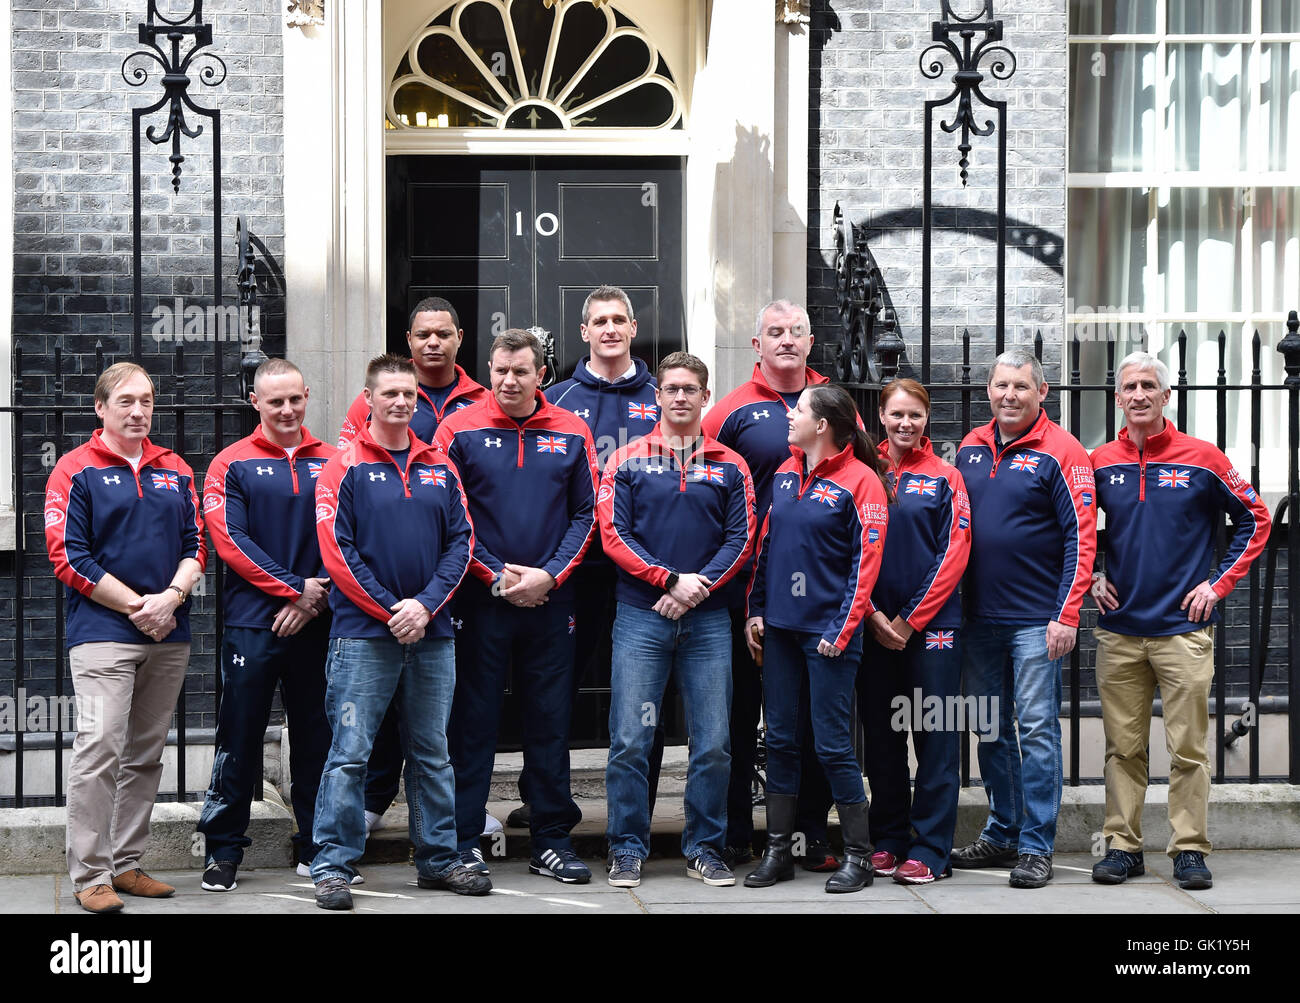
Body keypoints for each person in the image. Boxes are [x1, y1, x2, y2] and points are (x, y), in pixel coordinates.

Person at [311, 354, 488, 910]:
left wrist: (426, 607)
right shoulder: (344, 465)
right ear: (368, 399)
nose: (401, 402)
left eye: (408, 394)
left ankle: (437, 859)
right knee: (350, 753)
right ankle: (334, 864)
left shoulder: (441, 463)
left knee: (433, 751)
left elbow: (462, 543)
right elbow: (337, 551)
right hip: (363, 636)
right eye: (389, 393)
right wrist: (394, 609)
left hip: (432, 635)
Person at [1089, 352, 1270, 890]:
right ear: (1117, 398)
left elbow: (1256, 519)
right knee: (1123, 748)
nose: (1139, 394)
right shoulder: (1099, 461)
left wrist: (1217, 584)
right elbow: (1070, 530)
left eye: (1149, 385)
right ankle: (1122, 847)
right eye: (1129, 387)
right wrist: (1092, 576)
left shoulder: (1203, 459)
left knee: (1188, 749)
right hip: (1119, 631)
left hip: (1184, 632)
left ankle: (1189, 848)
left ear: (1167, 396)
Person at [434, 329, 600, 884]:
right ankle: (463, 842)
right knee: (473, 722)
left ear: (540, 374)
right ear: (489, 368)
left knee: (550, 722)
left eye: (521, 371)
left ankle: (550, 840)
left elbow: (587, 515)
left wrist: (549, 574)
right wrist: (496, 575)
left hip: (553, 600)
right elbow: (448, 515)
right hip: (482, 601)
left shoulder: (572, 430)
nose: (509, 381)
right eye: (501, 370)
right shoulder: (457, 428)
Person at [44, 362, 206, 913]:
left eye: (147, 401)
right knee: (99, 749)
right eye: (126, 402)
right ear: (100, 408)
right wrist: (141, 606)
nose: (138, 411)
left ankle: (127, 864)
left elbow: (197, 544)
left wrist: (172, 599)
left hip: (170, 631)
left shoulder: (175, 468)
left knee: (144, 755)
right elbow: (67, 556)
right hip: (102, 635)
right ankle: (90, 874)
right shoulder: (74, 469)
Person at [599, 351, 755, 889]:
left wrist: (695, 589)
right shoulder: (626, 459)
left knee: (713, 741)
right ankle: (625, 846)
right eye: (672, 389)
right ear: (657, 397)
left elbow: (742, 539)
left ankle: (706, 847)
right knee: (630, 739)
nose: (682, 397)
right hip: (642, 616)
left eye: (692, 389)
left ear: (705, 397)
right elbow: (614, 537)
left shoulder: (731, 465)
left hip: (709, 621)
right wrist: (669, 581)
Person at [338, 296, 488, 840]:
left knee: (444, 729)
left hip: (453, 592)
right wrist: (397, 608)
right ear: (409, 339)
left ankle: (448, 837)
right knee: (359, 739)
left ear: (458, 337)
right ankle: (361, 820)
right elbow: (341, 531)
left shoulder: (484, 399)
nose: (433, 342)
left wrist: (427, 603)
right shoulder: (358, 438)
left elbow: (465, 522)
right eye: (423, 334)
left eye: (443, 334)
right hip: (374, 610)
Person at [701, 298, 840, 870]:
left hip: (819, 595)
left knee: (811, 720)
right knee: (737, 716)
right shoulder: (730, 412)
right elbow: (700, 482)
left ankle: (809, 834)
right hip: (744, 589)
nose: (786, 340)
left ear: (810, 342)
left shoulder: (833, 403)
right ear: (757, 345)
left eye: (796, 332)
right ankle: (735, 833)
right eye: (774, 332)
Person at [518, 284, 661, 832]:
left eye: (618, 320)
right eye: (598, 320)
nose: (609, 329)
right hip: (575, 567)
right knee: (555, 685)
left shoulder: (661, 396)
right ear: (584, 332)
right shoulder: (558, 400)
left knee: (641, 693)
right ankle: (542, 798)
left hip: (643, 570)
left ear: (632, 328)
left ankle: (638, 812)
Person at [953, 350, 1096, 889]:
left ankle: (1036, 846)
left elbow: (1082, 538)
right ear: (988, 390)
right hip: (978, 619)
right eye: (999, 385)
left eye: (1020, 386)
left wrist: (1067, 614)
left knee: (1036, 731)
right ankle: (1002, 832)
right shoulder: (969, 446)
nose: (1008, 395)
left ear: (1043, 392)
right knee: (990, 729)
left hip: (1038, 621)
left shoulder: (1064, 451)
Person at [196, 358, 337, 892]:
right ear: (255, 402)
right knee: (239, 737)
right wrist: (293, 588)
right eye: (273, 401)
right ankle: (224, 851)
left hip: (319, 620)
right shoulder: (230, 464)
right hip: (254, 624)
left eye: (293, 399)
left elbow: (349, 536)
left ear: (307, 395)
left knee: (318, 739)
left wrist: (312, 597)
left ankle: (318, 845)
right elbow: (230, 542)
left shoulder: (335, 460)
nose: (285, 410)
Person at [743, 384, 890, 893]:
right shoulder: (785, 474)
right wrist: (755, 610)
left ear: (823, 424)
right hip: (780, 632)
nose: (790, 415)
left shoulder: (862, 482)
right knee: (781, 740)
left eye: (799, 409)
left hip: (829, 636)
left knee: (831, 745)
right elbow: (765, 547)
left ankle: (859, 856)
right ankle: (778, 850)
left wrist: (842, 629)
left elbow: (864, 565)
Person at [858, 378, 970, 885]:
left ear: (927, 420)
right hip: (873, 624)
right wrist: (875, 614)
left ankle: (930, 849)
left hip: (933, 630)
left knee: (935, 738)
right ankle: (888, 839)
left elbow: (954, 554)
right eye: (897, 414)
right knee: (881, 737)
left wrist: (908, 620)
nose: (906, 424)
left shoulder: (947, 476)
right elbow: (849, 549)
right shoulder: (864, 472)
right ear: (881, 416)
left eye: (916, 416)